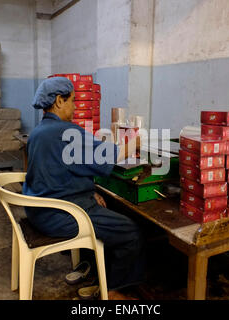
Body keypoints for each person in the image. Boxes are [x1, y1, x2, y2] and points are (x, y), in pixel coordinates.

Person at [22, 77, 145, 300]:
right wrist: (135, 143)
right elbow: (110, 155)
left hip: (38, 209)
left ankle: (92, 270)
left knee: (103, 213)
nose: (76, 106)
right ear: (59, 101)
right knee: (130, 231)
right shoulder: (66, 132)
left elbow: (55, 173)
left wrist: (89, 192)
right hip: (59, 215)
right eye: (72, 101)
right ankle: (115, 289)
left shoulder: (38, 132)